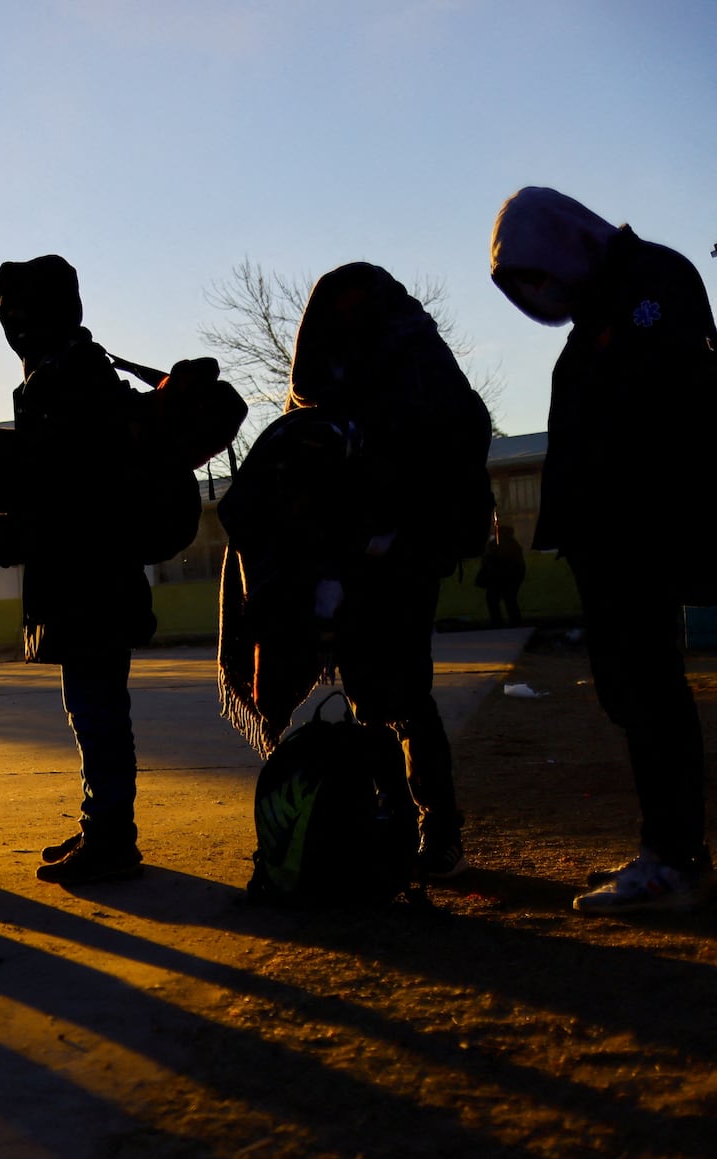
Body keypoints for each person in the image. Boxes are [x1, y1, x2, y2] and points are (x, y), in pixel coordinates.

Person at [218, 262, 493, 883]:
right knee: (370, 694)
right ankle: (387, 821)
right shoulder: (319, 386)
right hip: (333, 558)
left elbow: (450, 448)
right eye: (332, 314)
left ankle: (436, 826)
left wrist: (395, 516)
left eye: (354, 310)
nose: (344, 324)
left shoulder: (418, 363)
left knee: (401, 694)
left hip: (400, 555)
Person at [490, 186, 714, 913]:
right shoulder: (594, 320)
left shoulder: (654, 283)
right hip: (610, 539)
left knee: (650, 691)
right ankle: (666, 848)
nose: (538, 300)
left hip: (643, 528)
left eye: (536, 280)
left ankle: (674, 859)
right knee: (632, 691)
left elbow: (673, 407)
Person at [0, 257, 155, 885]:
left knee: (97, 709)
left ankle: (113, 838)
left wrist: (23, 528)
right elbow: (57, 476)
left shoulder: (71, 379)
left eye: (15, 310)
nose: (10, 324)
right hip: (82, 576)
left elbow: (79, 485)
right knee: (89, 707)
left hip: (91, 578)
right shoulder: (67, 371)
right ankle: (103, 824)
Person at [476, 523, 527, 625]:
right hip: (505, 578)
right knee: (508, 601)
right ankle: (513, 622)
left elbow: (488, 560)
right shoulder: (513, 545)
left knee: (497, 601)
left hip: (500, 578)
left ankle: (499, 622)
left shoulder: (501, 545)